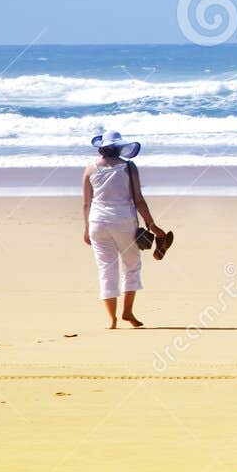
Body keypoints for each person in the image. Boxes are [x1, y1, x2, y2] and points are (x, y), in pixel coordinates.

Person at [81, 130, 167, 329]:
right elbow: (138, 200)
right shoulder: (128, 167)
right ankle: (127, 312)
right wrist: (152, 225)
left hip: (97, 223)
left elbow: (86, 203)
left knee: (106, 269)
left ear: (101, 147)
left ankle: (112, 320)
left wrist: (86, 229)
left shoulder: (90, 168)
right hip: (124, 222)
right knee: (131, 266)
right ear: (120, 147)